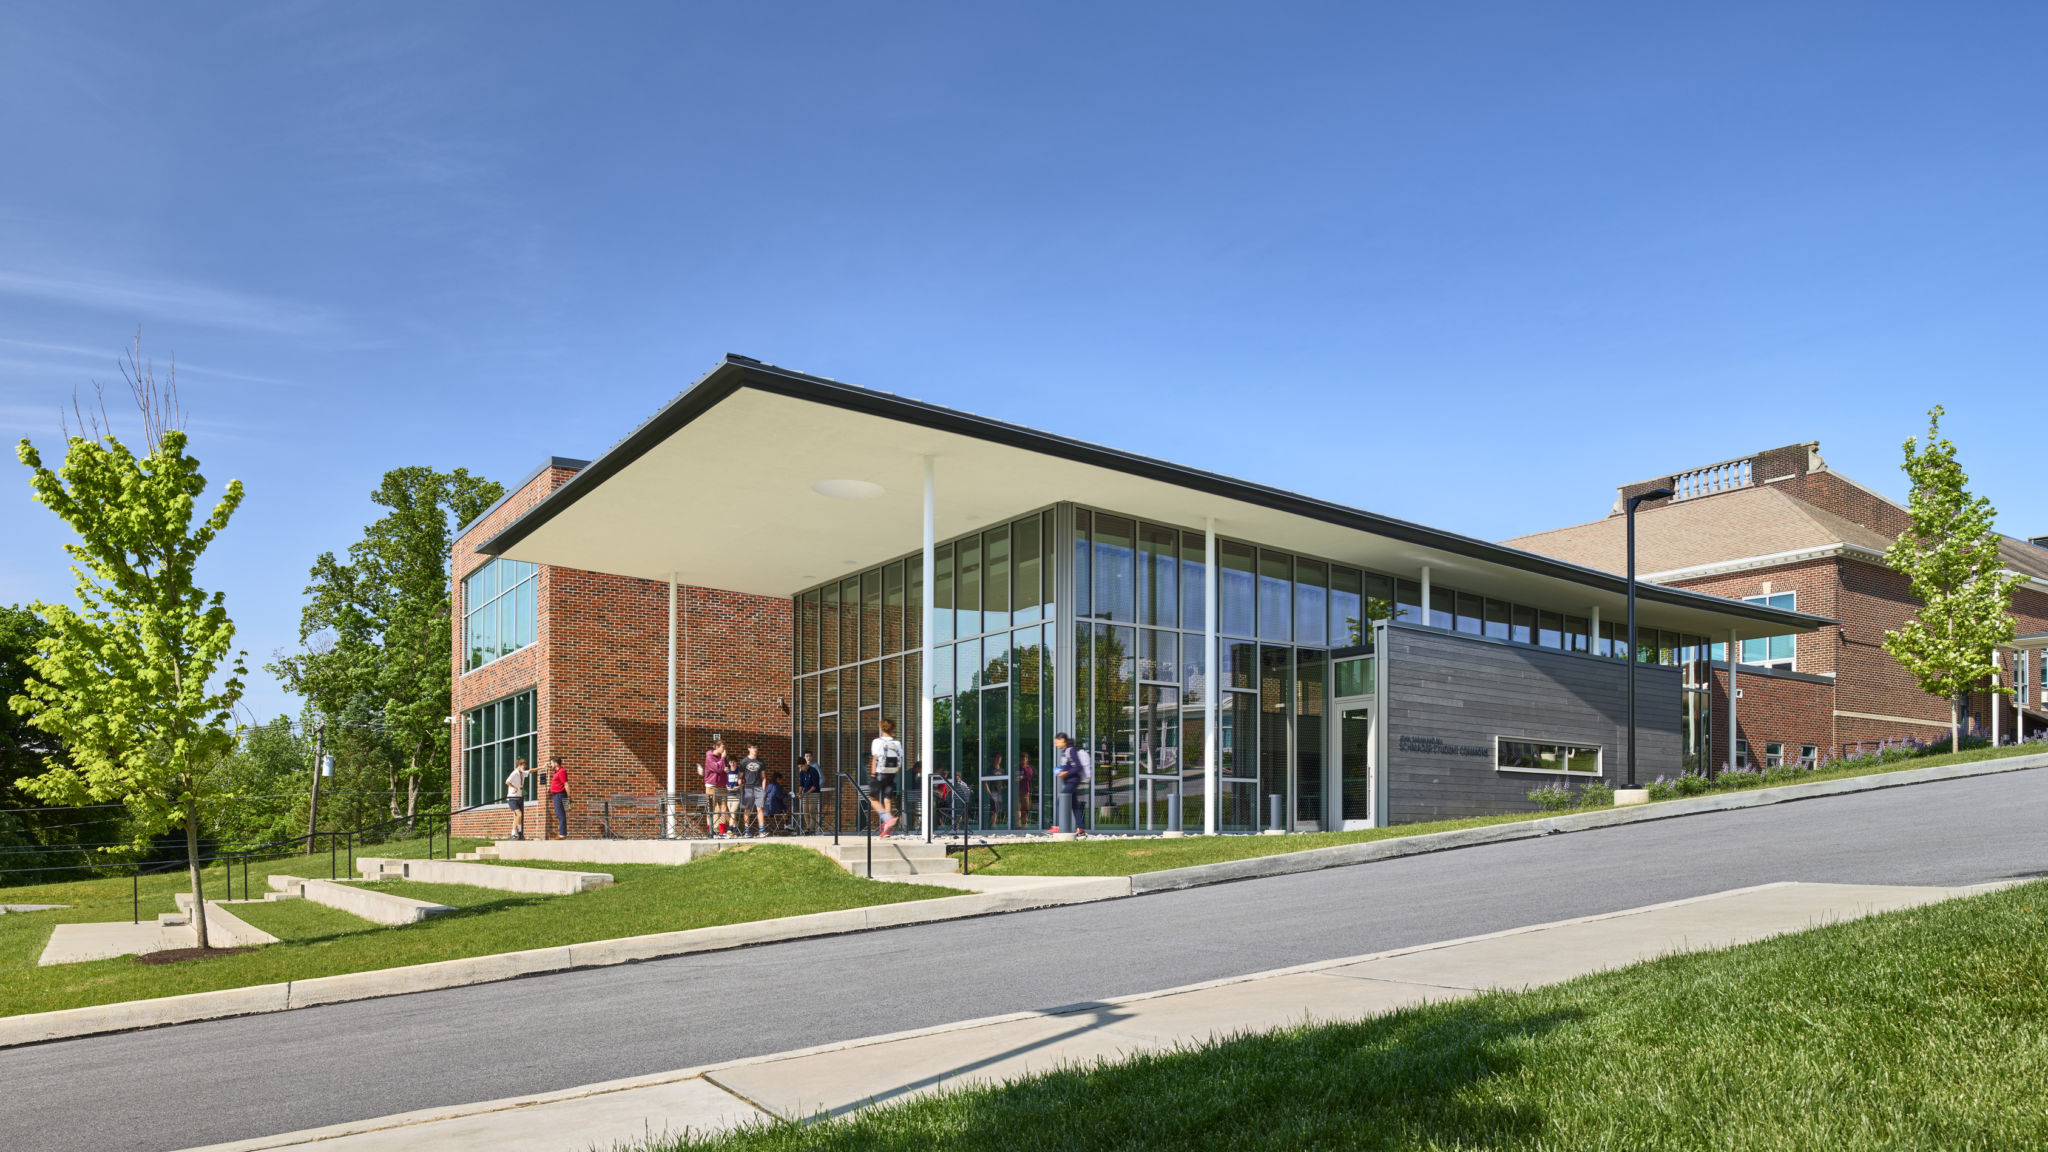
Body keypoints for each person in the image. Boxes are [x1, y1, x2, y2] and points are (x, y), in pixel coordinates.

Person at [869, 718, 905, 836]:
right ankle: (887, 831)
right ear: (893, 729)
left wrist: (873, 774)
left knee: (872, 799)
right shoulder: (897, 743)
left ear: (881, 728)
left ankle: (888, 819)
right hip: (892, 774)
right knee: (887, 800)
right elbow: (900, 761)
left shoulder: (877, 741)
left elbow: (875, 758)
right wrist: (894, 773)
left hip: (880, 772)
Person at [1052, 733, 1085, 835]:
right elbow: (1070, 765)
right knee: (1075, 805)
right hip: (1070, 781)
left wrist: (1066, 773)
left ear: (1062, 740)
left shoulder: (1070, 750)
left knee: (1060, 802)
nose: (1056, 745)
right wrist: (1062, 771)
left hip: (1072, 781)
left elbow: (1078, 767)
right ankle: (1081, 829)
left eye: (1057, 743)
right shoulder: (1066, 751)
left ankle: (1057, 827)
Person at [703, 737, 730, 837]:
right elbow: (717, 769)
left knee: (723, 808)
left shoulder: (722, 757)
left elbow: (725, 766)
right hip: (712, 786)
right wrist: (722, 758)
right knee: (712, 808)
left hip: (722, 785)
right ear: (717, 747)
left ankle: (721, 831)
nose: (724, 749)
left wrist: (727, 768)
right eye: (723, 747)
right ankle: (712, 831)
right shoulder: (710, 757)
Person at [738, 744, 768, 838]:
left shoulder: (761, 762)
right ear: (749, 749)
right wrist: (740, 785)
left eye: (756, 747)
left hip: (758, 787)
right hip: (748, 787)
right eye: (753, 748)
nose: (755, 749)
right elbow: (740, 777)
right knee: (747, 809)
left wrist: (763, 789)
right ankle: (747, 831)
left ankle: (762, 831)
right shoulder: (744, 761)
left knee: (760, 808)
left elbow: (764, 777)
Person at [795, 751, 823, 834]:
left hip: (814, 793)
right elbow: (801, 784)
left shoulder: (813, 771)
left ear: (805, 764)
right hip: (805, 793)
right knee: (805, 811)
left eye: (801, 766)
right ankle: (808, 828)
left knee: (811, 810)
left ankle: (812, 828)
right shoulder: (802, 772)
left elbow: (815, 786)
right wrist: (800, 793)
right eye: (799, 767)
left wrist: (806, 793)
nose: (801, 768)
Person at [503, 756, 530, 840]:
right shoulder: (514, 773)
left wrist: (542, 767)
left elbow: (531, 771)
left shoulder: (522, 773)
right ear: (519, 765)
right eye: (523, 765)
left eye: (525, 765)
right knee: (519, 814)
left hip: (519, 797)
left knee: (516, 817)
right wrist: (514, 787)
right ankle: (518, 832)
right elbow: (507, 782)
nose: (525, 767)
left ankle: (514, 834)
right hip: (512, 798)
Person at [546, 755, 569, 839]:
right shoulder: (556, 772)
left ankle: (562, 834)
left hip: (560, 794)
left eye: (551, 763)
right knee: (559, 813)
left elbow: (566, 784)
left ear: (556, 763)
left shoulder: (562, 771)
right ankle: (562, 833)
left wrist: (569, 796)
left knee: (560, 814)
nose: (550, 765)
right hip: (556, 795)